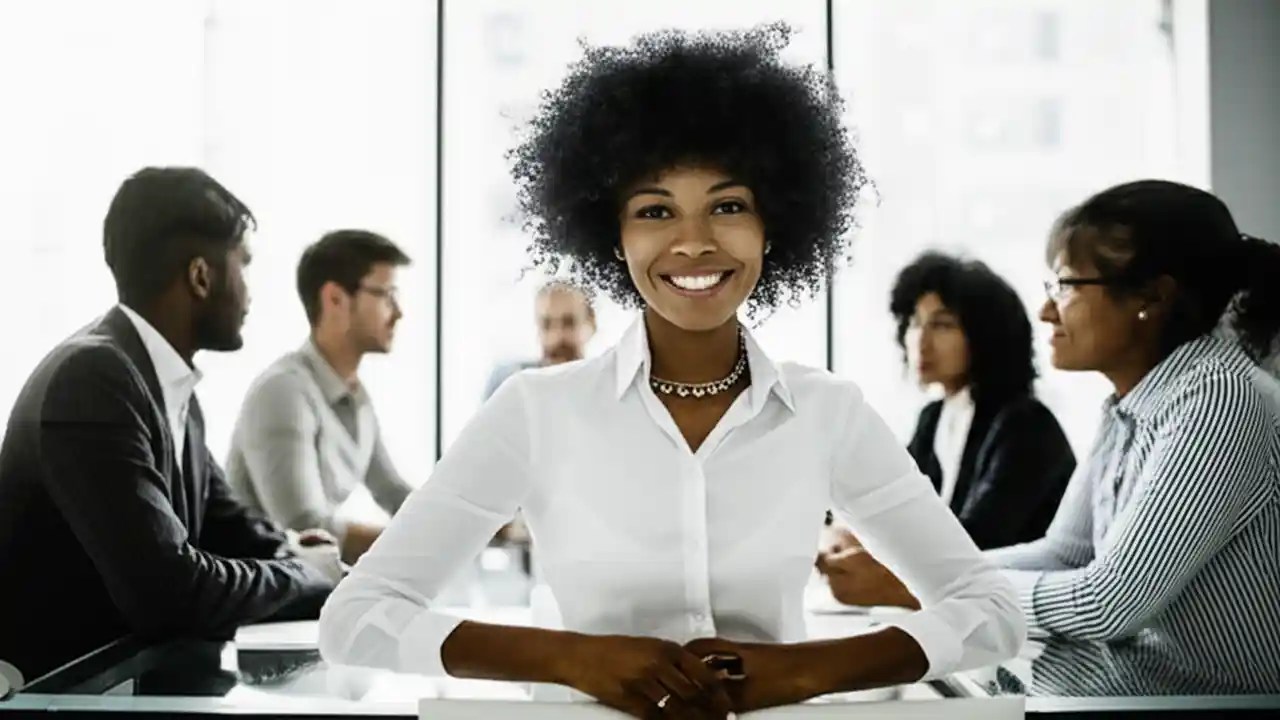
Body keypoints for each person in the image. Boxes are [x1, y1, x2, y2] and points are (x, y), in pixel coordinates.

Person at [319, 25, 1023, 719]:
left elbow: (989, 613)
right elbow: (357, 619)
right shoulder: (534, 411)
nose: (694, 241)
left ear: (772, 224)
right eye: (655, 210)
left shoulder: (828, 412)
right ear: (611, 235)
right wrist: (574, 658)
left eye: (728, 206)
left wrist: (800, 671)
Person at [0, 167, 338, 683]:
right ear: (201, 276)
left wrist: (295, 555)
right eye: (244, 265)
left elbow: (232, 531)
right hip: (67, 693)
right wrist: (303, 574)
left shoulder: (167, 386)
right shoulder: (93, 378)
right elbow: (171, 592)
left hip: (133, 684)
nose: (250, 293)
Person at [986, 180, 1280, 693]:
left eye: (1067, 286)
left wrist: (953, 588)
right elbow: (1065, 555)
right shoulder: (1131, 404)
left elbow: (1110, 603)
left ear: (1152, 297)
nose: (1046, 310)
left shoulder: (1218, 397)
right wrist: (928, 570)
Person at [226, 230, 414, 565]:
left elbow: (394, 493)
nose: (398, 312)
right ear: (335, 299)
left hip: (306, 592)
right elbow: (306, 530)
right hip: (267, 603)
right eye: (387, 295)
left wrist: (484, 527)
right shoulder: (283, 392)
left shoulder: (356, 397)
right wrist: (421, 548)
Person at [481, 280, 597, 402]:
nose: (556, 336)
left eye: (569, 323)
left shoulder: (606, 389)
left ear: (592, 325)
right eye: (546, 324)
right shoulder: (507, 382)